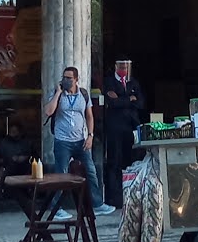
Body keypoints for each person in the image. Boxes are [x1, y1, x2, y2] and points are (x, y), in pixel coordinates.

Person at [43, 64, 111, 214]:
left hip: (80, 140)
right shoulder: (57, 93)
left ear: (76, 79)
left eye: (69, 78)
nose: (66, 80)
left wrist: (90, 136)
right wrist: (58, 93)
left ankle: (97, 204)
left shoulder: (83, 94)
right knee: (61, 173)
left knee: (90, 171)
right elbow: (48, 111)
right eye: (64, 78)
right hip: (63, 141)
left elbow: (89, 116)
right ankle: (56, 208)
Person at [98, 58, 145, 206]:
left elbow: (140, 103)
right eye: (122, 66)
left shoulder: (133, 82)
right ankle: (115, 198)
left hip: (130, 127)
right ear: (116, 67)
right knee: (114, 161)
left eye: (126, 67)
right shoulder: (109, 82)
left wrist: (122, 99)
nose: (124, 69)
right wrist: (129, 99)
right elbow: (111, 103)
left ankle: (132, 196)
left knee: (131, 161)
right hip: (114, 128)